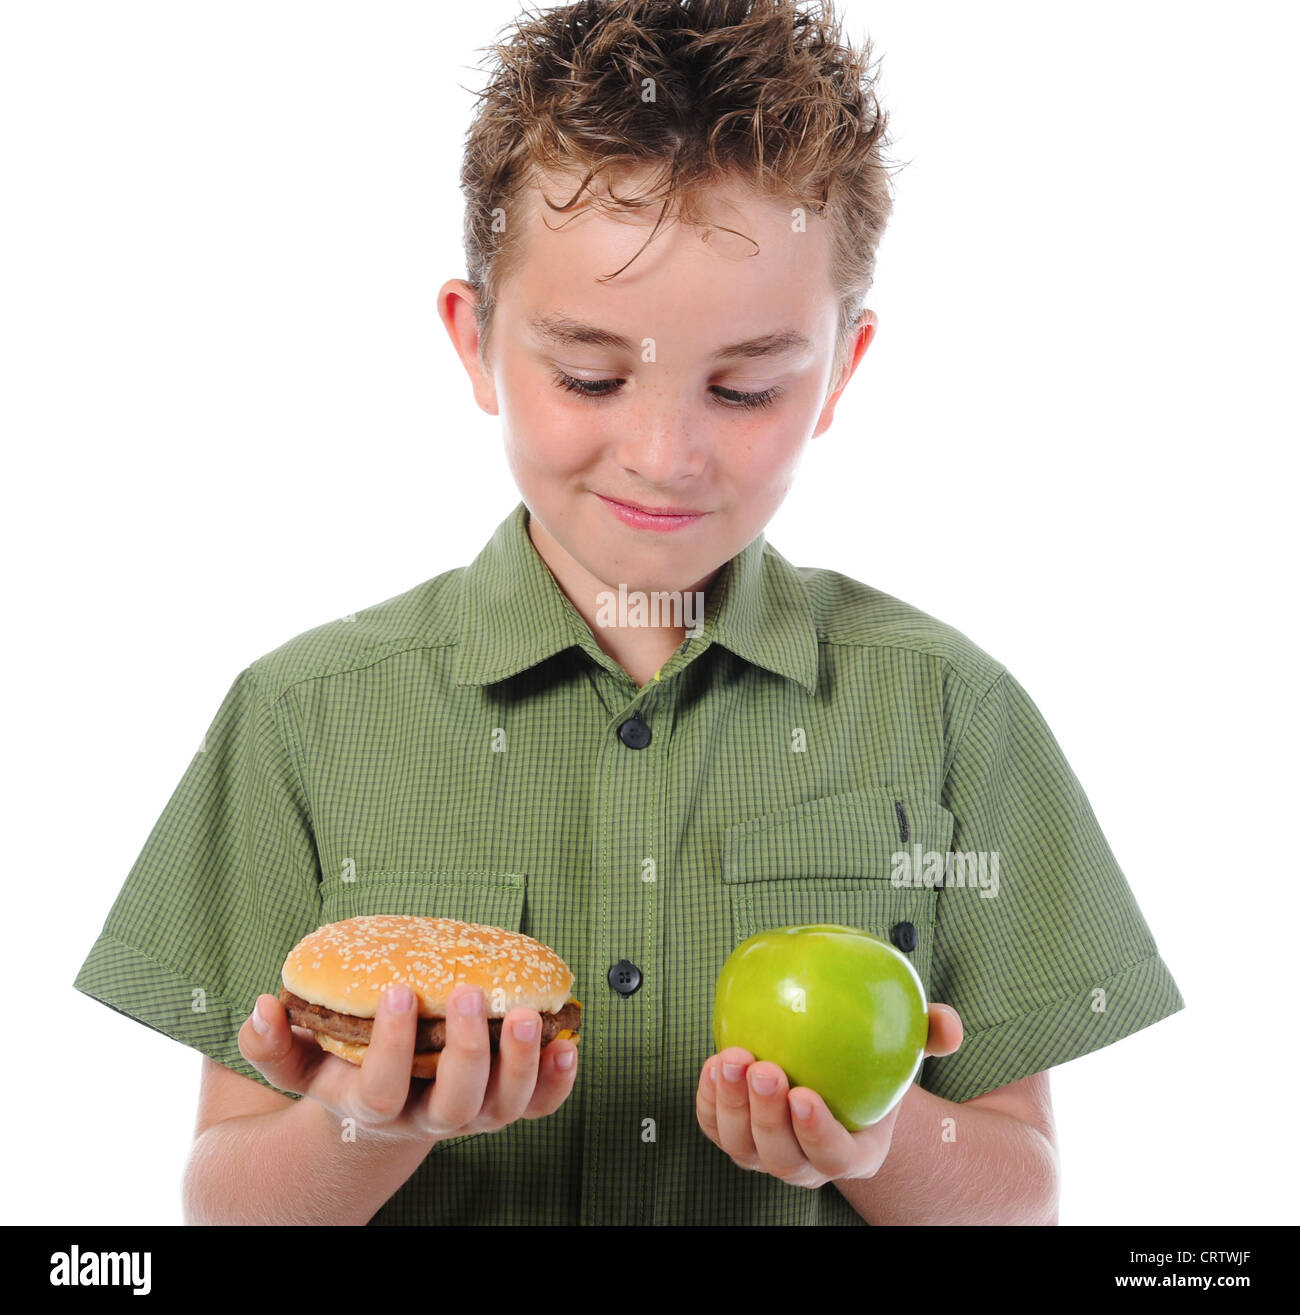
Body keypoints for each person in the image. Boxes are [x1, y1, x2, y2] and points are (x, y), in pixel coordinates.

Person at [74, 0, 1183, 1226]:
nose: (664, 453)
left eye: (744, 386)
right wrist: (364, 1122)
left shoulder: (948, 711)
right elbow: (224, 1201)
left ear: (839, 372)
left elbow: (1019, 1193)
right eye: (591, 376)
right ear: (475, 341)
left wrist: (874, 1137)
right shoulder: (301, 718)